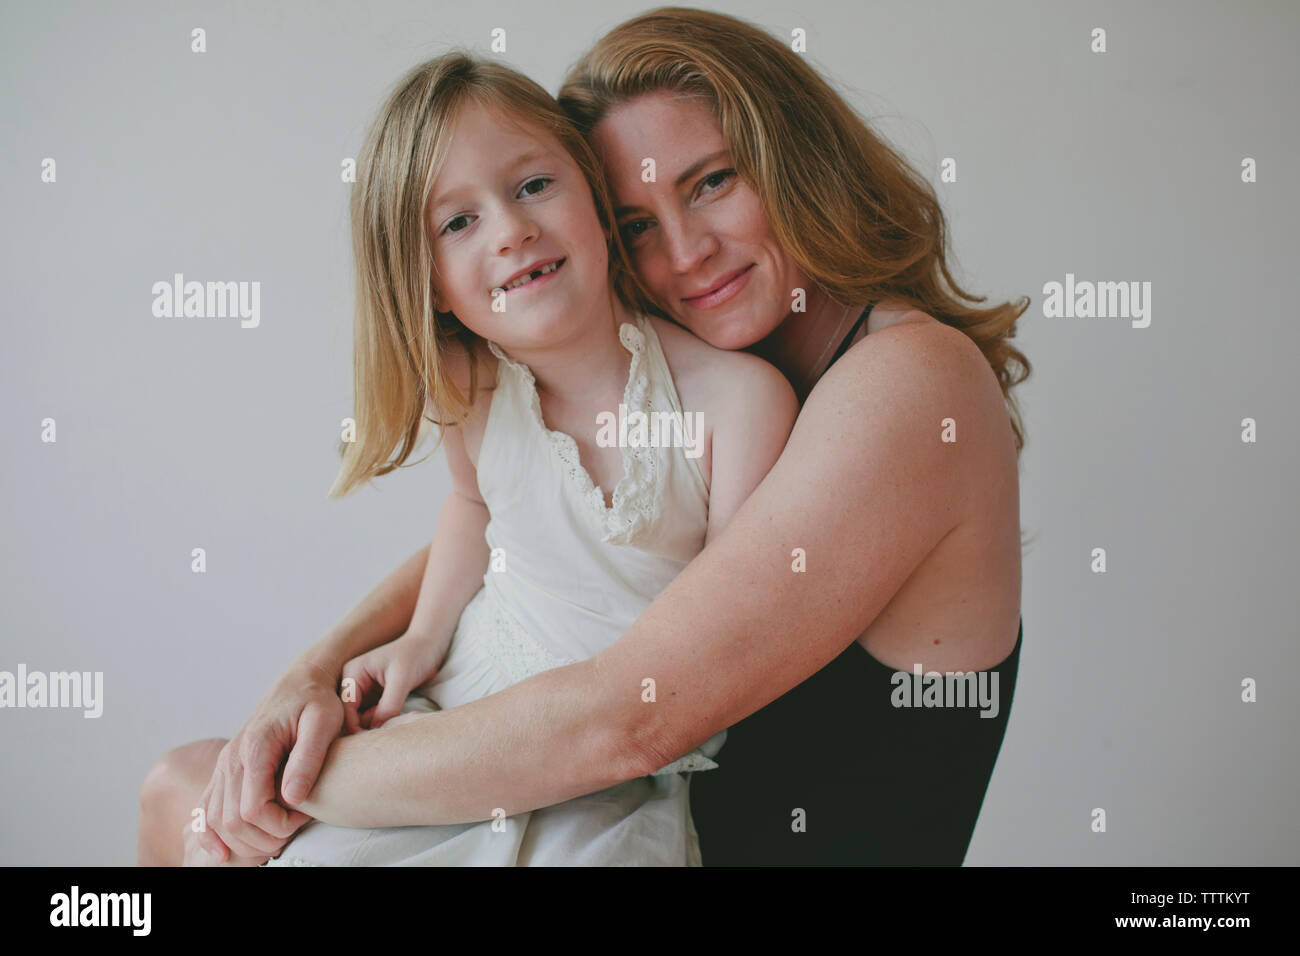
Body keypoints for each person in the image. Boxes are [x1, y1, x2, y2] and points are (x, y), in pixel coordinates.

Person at [138, 7, 1030, 867]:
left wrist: (296, 781)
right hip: (609, 793)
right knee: (178, 789)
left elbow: (625, 721)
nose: (683, 255)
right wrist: (308, 677)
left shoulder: (910, 382)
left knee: (207, 806)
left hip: (648, 818)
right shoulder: (711, 353)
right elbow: (516, 524)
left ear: (797, 160)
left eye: (712, 182)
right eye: (637, 223)